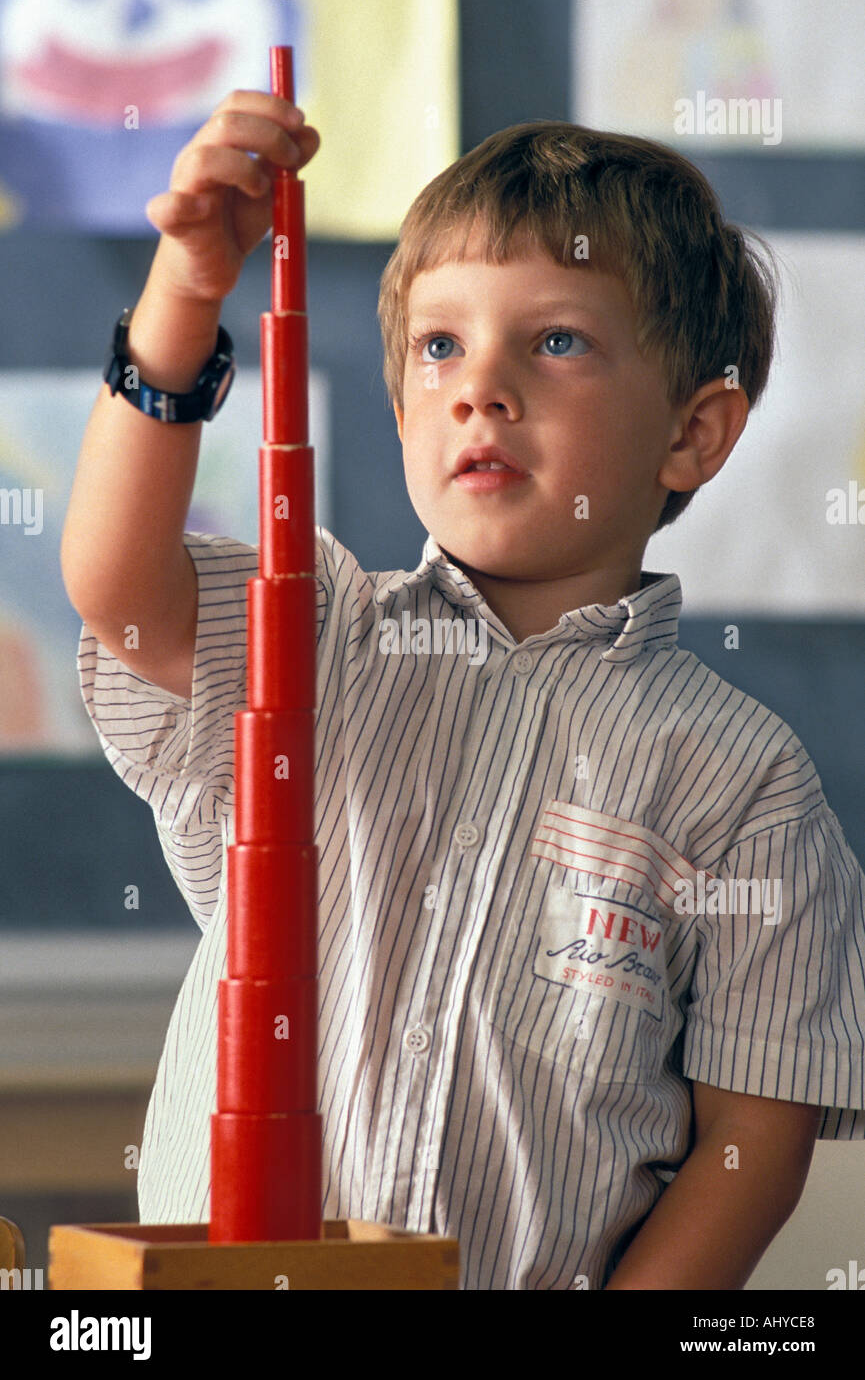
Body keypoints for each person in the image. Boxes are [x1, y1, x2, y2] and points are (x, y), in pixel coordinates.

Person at [61, 88, 865, 1290]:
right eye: (440, 345)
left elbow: (755, 1136)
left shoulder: (741, 777)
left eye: (554, 342)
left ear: (694, 433)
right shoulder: (313, 632)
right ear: (399, 411)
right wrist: (184, 295)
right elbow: (117, 586)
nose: (478, 386)